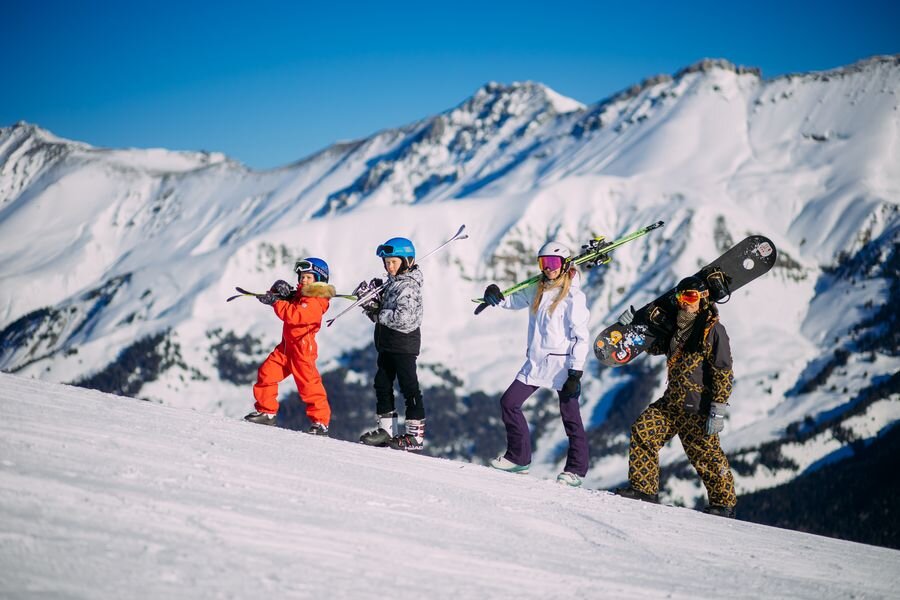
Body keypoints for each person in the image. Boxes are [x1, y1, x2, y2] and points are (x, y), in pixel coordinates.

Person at [614, 275, 738, 517]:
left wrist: (718, 408)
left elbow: (722, 371)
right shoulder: (678, 327)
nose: (684, 302)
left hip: (697, 407)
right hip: (672, 403)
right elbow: (653, 347)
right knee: (643, 431)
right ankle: (644, 489)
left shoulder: (713, 331)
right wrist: (630, 329)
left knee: (706, 457)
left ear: (702, 300)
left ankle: (724, 505)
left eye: (690, 297)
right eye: (681, 297)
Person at [481, 241, 591, 487]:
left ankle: (576, 470)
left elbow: (581, 336)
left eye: (553, 263)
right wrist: (494, 295)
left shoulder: (574, 296)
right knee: (509, 403)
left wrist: (576, 372)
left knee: (570, 416)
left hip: (563, 365)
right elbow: (512, 301)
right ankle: (519, 458)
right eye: (543, 263)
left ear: (564, 265)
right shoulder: (538, 289)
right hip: (536, 361)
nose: (548, 268)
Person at [244, 257, 336, 435]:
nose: (303, 280)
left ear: (319, 279)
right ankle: (266, 411)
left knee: (309, 386)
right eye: (302, 276)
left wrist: (275, 302)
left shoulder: (316, 301)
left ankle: (321, 421)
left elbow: (295, 315)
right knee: (267, 372)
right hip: (287, 347)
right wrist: (279, 291)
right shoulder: (302, 295)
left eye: (309, 277)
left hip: (302, 349)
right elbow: (292, 301)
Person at [356, 237, 426, 451]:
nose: (389, 266)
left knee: (409, 387)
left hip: (403, 345)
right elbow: (380, 314)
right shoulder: (392, 284)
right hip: (387, 344)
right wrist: (371, 303)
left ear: (407, 261)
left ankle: (415, 436)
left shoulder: (409, 288)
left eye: (393, 262)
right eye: (386, 263)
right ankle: (387, 429)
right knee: (382, 383)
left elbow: (403, 318)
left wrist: (378, 313)